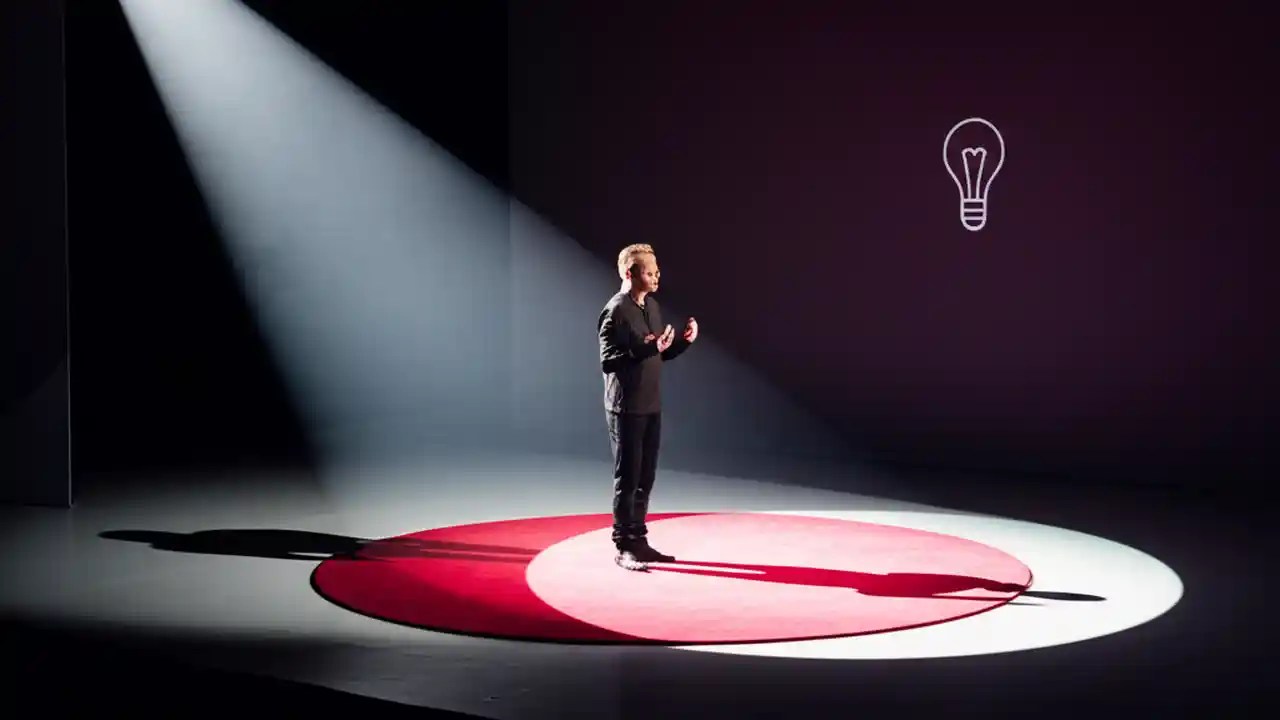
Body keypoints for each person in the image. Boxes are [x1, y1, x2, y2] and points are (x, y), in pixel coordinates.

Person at [597, 243, 698, 571]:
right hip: (625, 408)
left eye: (656, 270)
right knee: (627, 478)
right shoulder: (615, 311)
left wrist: (681, 343)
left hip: (650, 404)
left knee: (645, 477)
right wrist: (646, 348)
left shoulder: (651, 307)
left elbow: (657, 353)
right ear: (630, 273)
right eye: (649, 271)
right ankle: (624, 546)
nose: (656, 275)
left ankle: (639, 540)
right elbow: (608, 361)